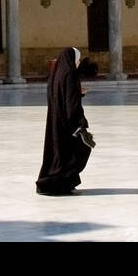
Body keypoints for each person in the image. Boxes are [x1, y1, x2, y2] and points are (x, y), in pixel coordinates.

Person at [36, 47, 96, 195]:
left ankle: (62, 182)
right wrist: (79, 123)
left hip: (57, 120)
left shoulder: (57, 74)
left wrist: (77, 93)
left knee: (59, 153)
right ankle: (56, 183)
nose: (79, 62)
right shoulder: (70, 74)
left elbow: (58, 95)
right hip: (68, 123)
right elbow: (70, 101)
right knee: (79, 150)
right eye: (78, 59)